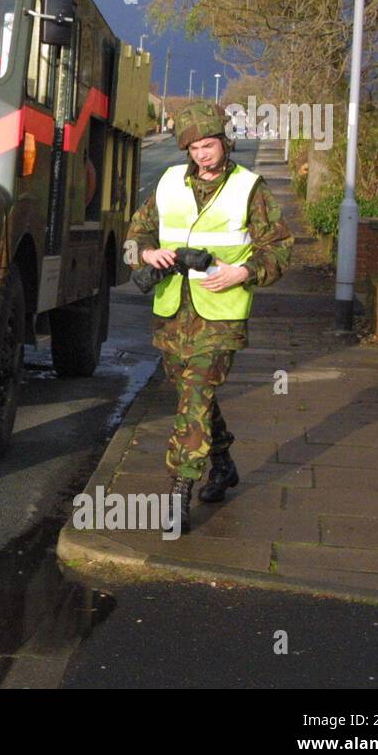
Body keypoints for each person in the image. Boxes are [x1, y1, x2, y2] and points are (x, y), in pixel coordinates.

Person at [126, 100, 293, 534]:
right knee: (193, 398)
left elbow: (279, 248)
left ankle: (178, 492)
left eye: (209, 144)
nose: (203, 153)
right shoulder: (167, 184)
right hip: (171, 314)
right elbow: (133, 237)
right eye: (195, 146)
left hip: (219, 317)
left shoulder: (249, 188)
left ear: (224, 142)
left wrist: (244, 271)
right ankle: (222, 465)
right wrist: (146, 252)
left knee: (196, 395)